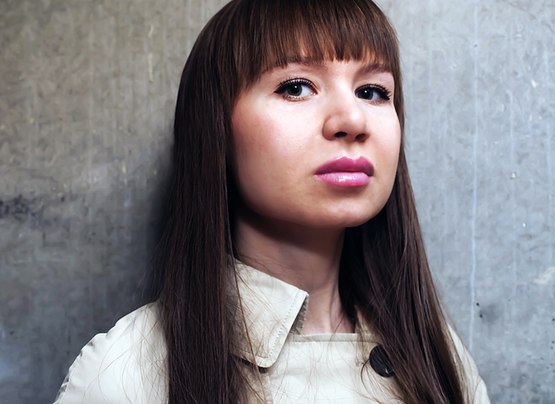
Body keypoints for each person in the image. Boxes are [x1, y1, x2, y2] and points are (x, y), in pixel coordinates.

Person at [54, 0, 490, 403]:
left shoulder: (441, 361)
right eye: (296, 87)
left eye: (372, 91)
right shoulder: (128, 371)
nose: (353, 119)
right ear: (215, 130)